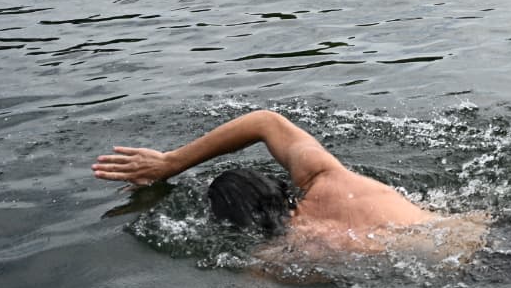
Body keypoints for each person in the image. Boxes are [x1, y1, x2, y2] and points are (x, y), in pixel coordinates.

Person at [93, 109, 485, 257]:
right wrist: (171, 162)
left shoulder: (289, 252)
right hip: (486, 231)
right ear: (280, 186)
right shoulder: (326, 177)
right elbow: (266, 121)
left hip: (455, 273)